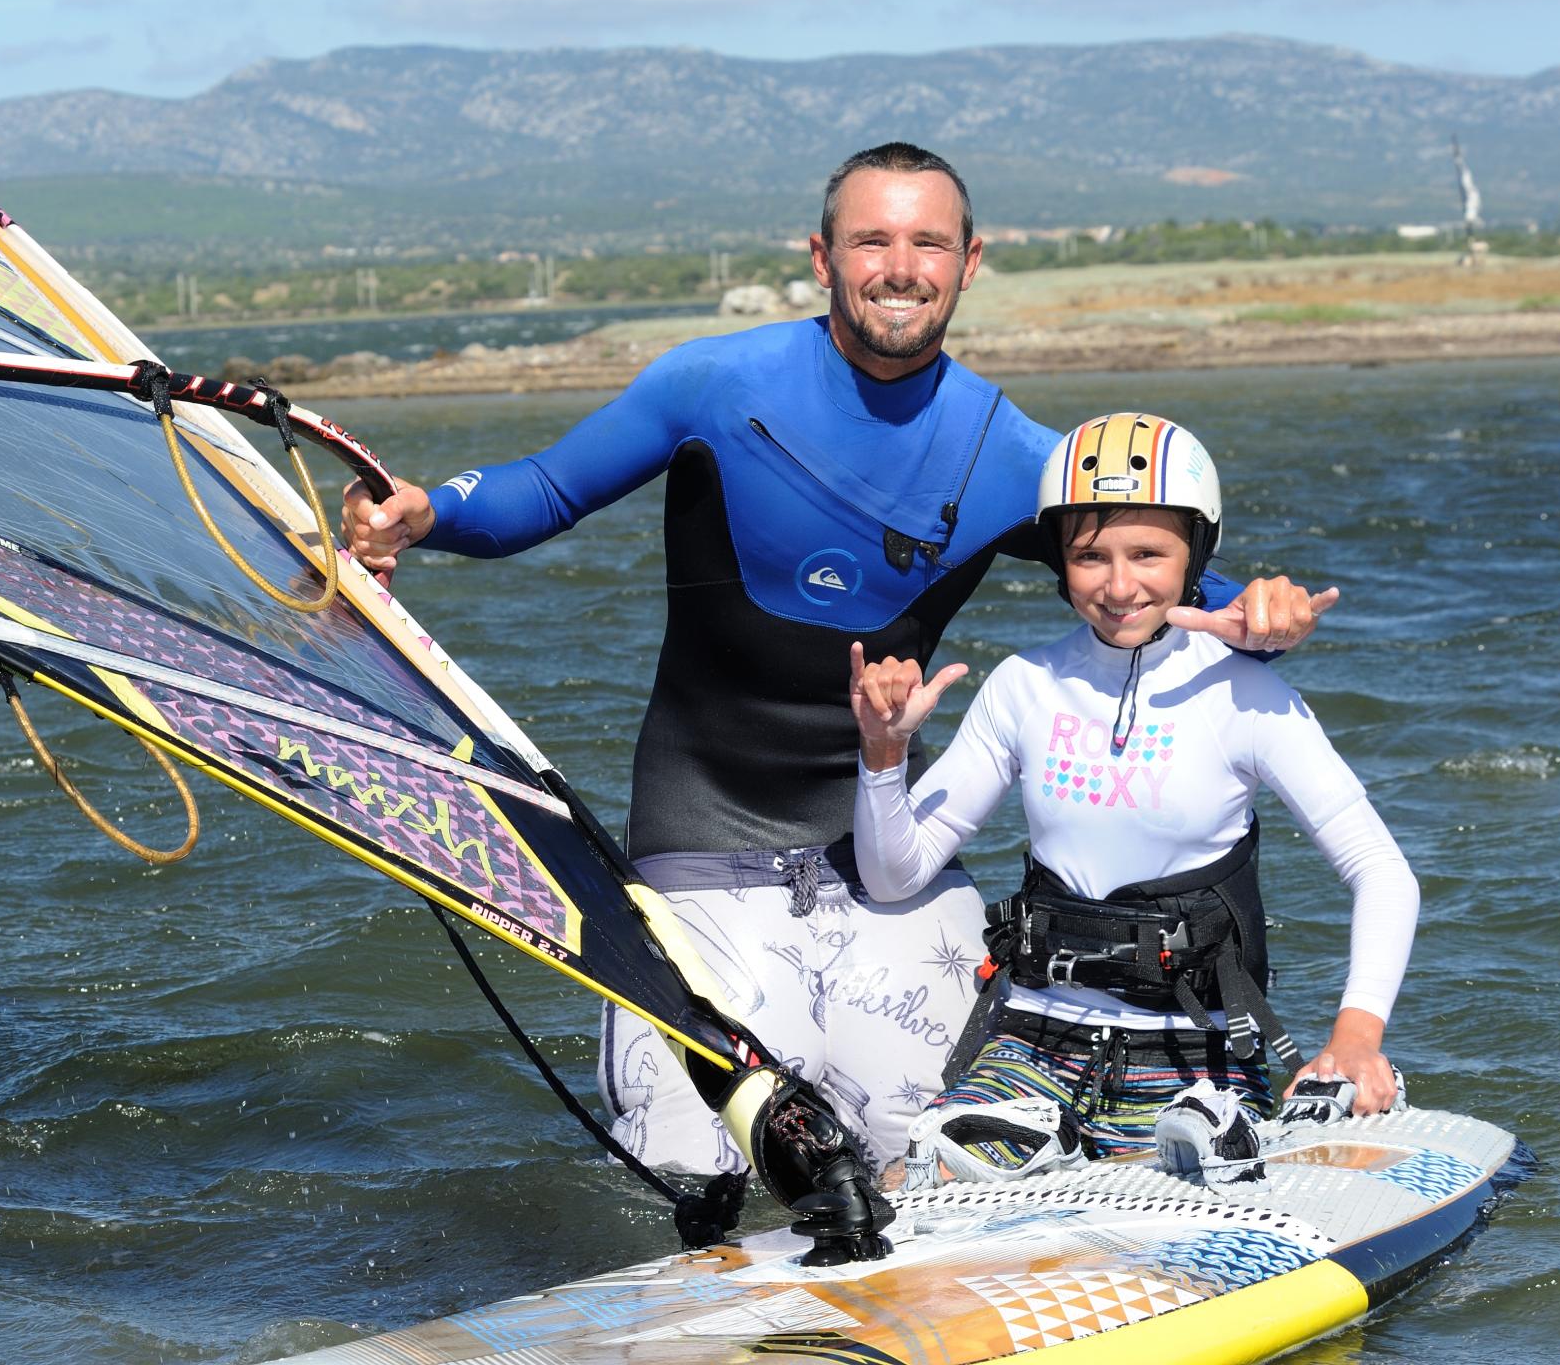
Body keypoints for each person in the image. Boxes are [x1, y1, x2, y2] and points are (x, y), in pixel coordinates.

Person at [343, 142, 1332, 1177]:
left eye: (927, 243)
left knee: (954, 1172)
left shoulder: (1012, 455)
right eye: (872, 239)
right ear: (823, 256)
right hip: (700, 864)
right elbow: (539, 493)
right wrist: (425, 513)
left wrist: (1259, 606)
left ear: (969, 261)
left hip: (889, 877)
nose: (899, 266)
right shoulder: (713, 385)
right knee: (699, 1184)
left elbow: (1154, 579)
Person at [851, 412, 1416, 1191]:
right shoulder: (1024, 686)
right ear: (1061, 561)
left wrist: (1356, 1035)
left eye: (1148, 554)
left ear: (1195, 555)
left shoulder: (1245, 693)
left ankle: (1182, 1149)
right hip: (1029, 1048)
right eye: (1090, 557)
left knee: (1182, 1178)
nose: (1119, 586)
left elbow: (1383, 872)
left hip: (1197, 1062)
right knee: (907, 1185)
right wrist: (882, 756)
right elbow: (894, 876)